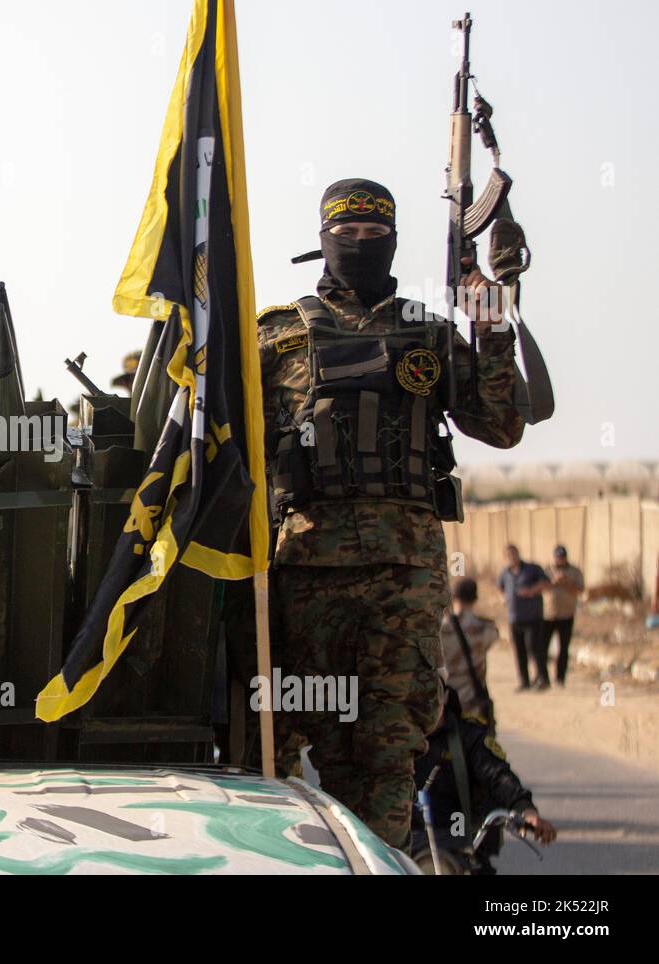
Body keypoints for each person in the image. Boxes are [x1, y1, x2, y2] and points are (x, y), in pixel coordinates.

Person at [256, 178, 525, 850]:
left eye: (375, 234)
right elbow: (230, 450)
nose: (359, 245)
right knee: (278, 750)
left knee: (386, 754)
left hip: (404, 577)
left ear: (396, 240)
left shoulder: (427, 332)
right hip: (301, 570)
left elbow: (500, 424)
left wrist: (491, 331)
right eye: (346, 234)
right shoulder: (276, 335)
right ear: (321, 240)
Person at [411, 687, 557, 874]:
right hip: (406, 851)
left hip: (462, 849)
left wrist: (525, 810)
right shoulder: (397, 741)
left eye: (432, 692)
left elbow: (499, 776)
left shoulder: (469, 737)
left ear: (445, 696)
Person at [441, 577, 500, 720]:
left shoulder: (442, 629)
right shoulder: (486, 629)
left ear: (453, 597)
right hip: (473, 703)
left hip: (446, 701)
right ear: (475, 599)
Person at [496, 544, 552, 690]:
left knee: (534, 649)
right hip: (515, 618)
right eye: (509, 555)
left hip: (533, 617)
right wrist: (503, 598)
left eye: (514, 554)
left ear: (518, 554)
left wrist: (531, 591)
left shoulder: (532, 569)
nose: (512, 557)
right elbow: (499, 588)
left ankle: (542, 679)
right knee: (519, 651)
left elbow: (546, 583)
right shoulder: (505, 573)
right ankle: (524, 681)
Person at [543, 545, 584, 685]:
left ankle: (560, 678)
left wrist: (566, 582)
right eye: (558, 557)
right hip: (548, 614)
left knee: (563, 648)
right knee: (542, 647)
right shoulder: (547, 570)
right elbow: (541, 587)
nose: (560, 559)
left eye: (562, 557)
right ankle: (543, 677)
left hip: (567, 614)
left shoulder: (575, 572)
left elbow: (580, 591)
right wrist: (554, 582)